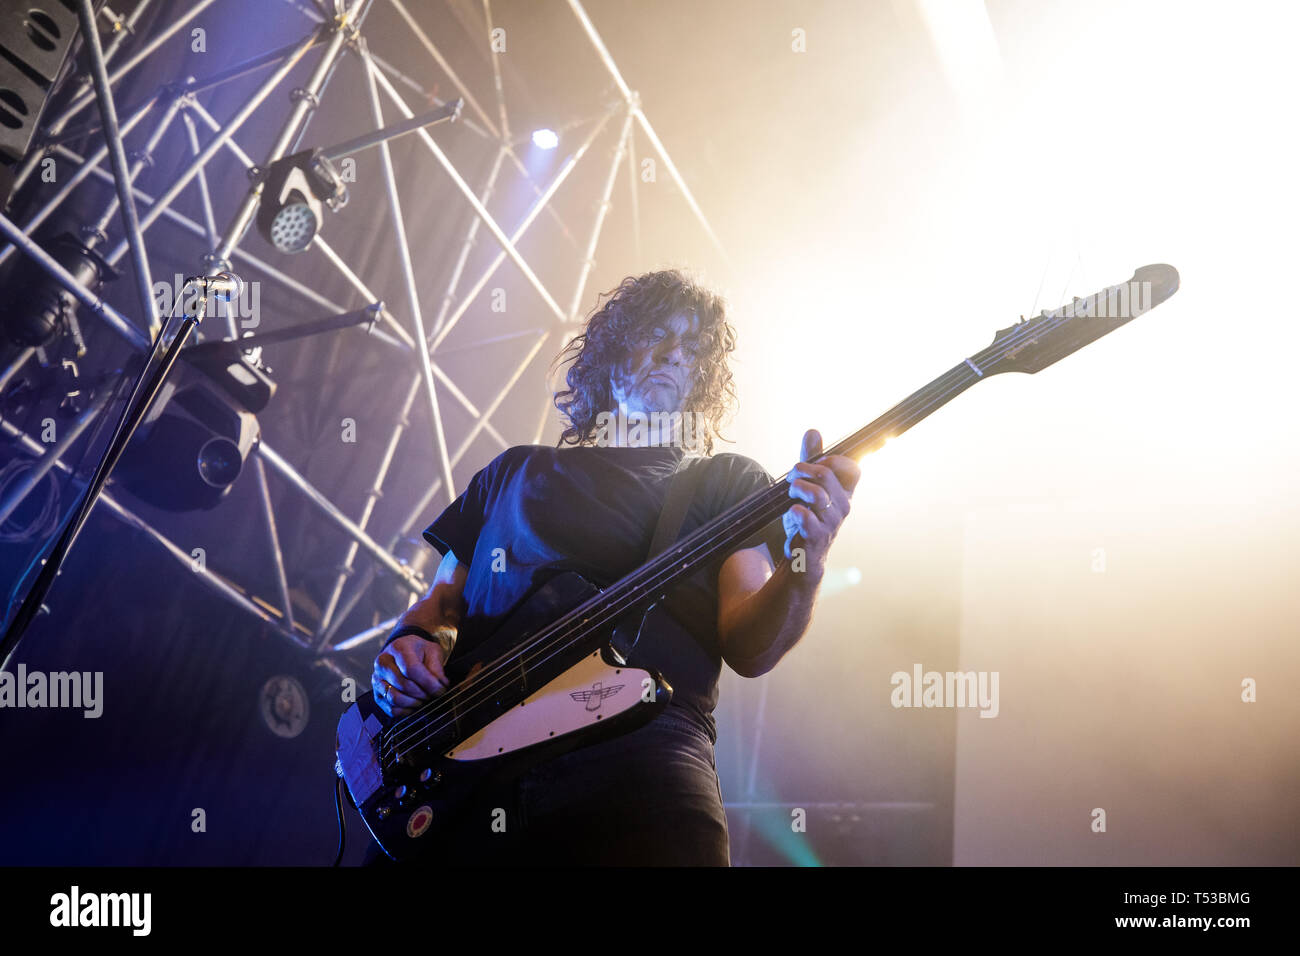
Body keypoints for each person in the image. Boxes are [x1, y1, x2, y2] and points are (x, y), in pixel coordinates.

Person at [366, 268, 859, 866]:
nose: (675, 355)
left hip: (641, 758)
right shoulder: (512, 472)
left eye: (693, 348)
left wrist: (807, 560)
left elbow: (751, 648)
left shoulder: (726, 483)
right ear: (612, 348)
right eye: (658, 334)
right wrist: (412, 642)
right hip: (466, 759)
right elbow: (444, 603)